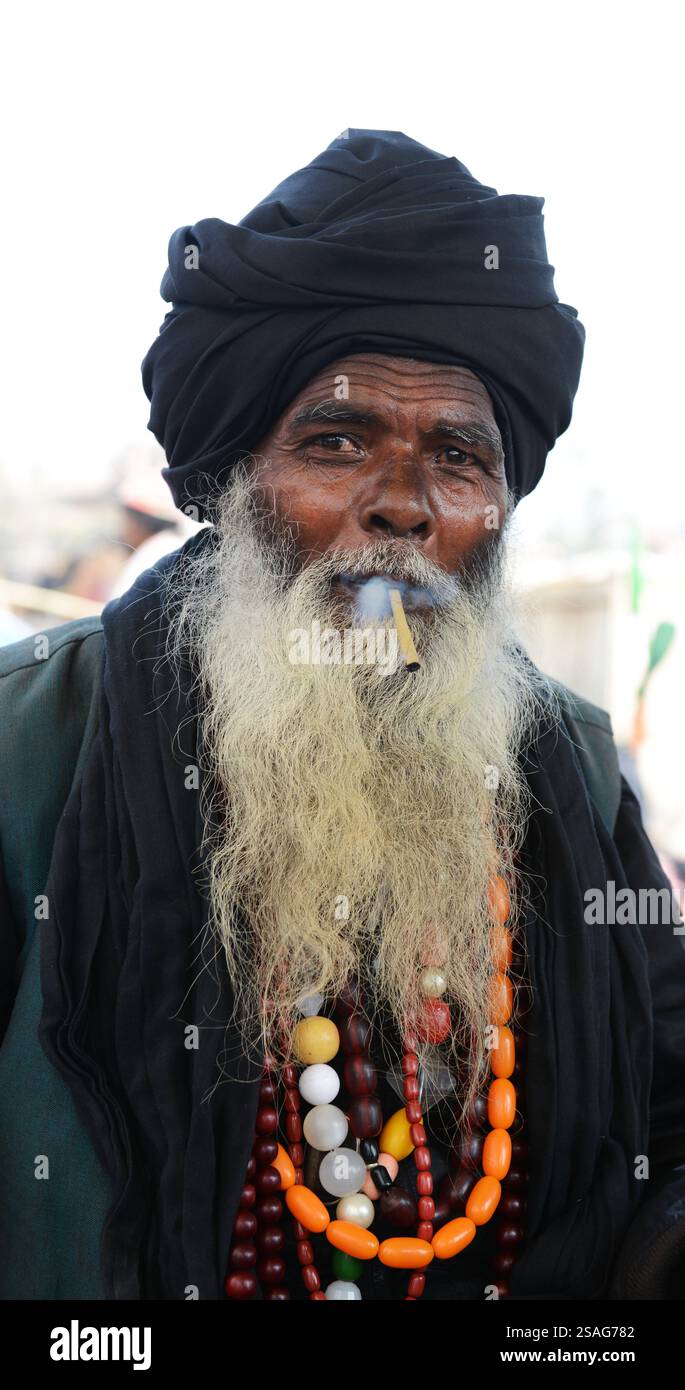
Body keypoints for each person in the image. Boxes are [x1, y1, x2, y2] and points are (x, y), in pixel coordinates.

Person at [1, 129, 684, 1303]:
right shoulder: (30, 749)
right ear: (231, 479)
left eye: (459, 458)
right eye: (337, 440)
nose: (404, 508)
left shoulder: (567, 768)